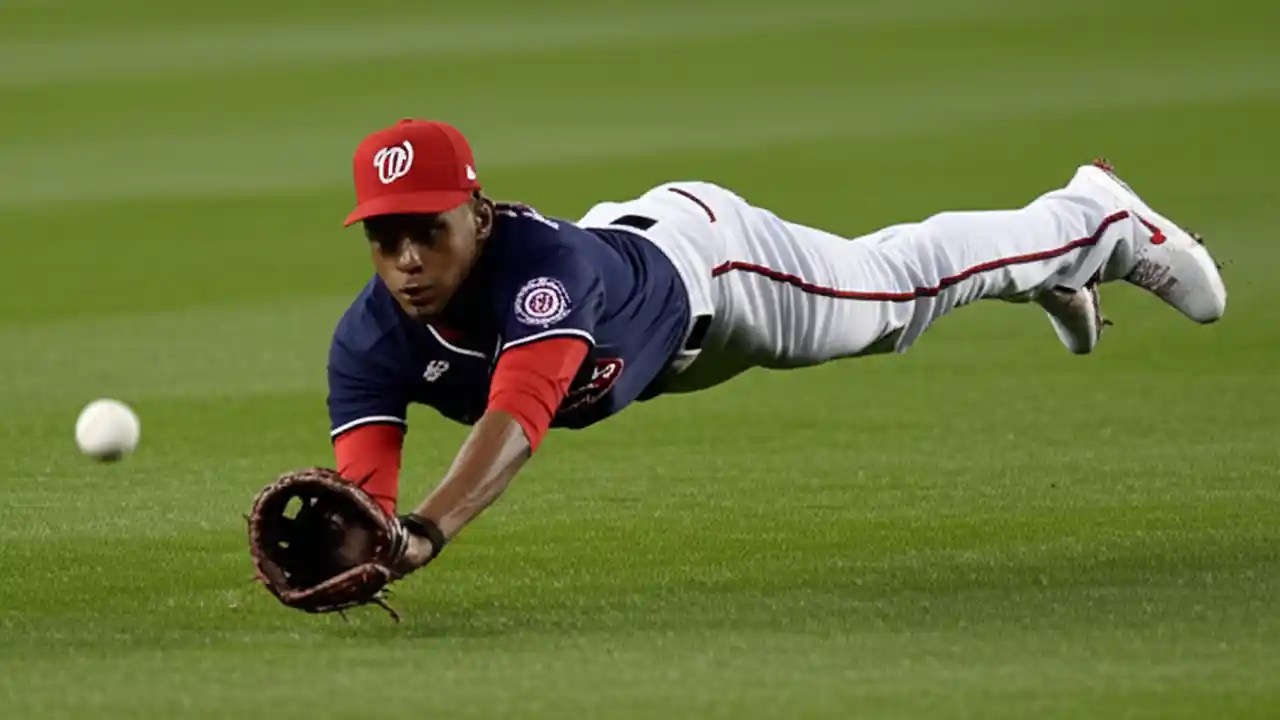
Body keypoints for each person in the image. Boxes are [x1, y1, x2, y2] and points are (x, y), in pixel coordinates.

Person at [325, 118, 1226, 575]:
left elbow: (519, 417)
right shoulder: (367, 342)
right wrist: (364, 542)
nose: (406, 259)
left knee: (894, 300)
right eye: (385, 236)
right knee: (905, 297)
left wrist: (428, 534)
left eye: (428, 231)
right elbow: (369, 501)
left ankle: (1090, 217)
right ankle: (1043, 264)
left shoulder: (543, 271)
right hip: (651, 322)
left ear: (478, 213)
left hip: (721, 272)